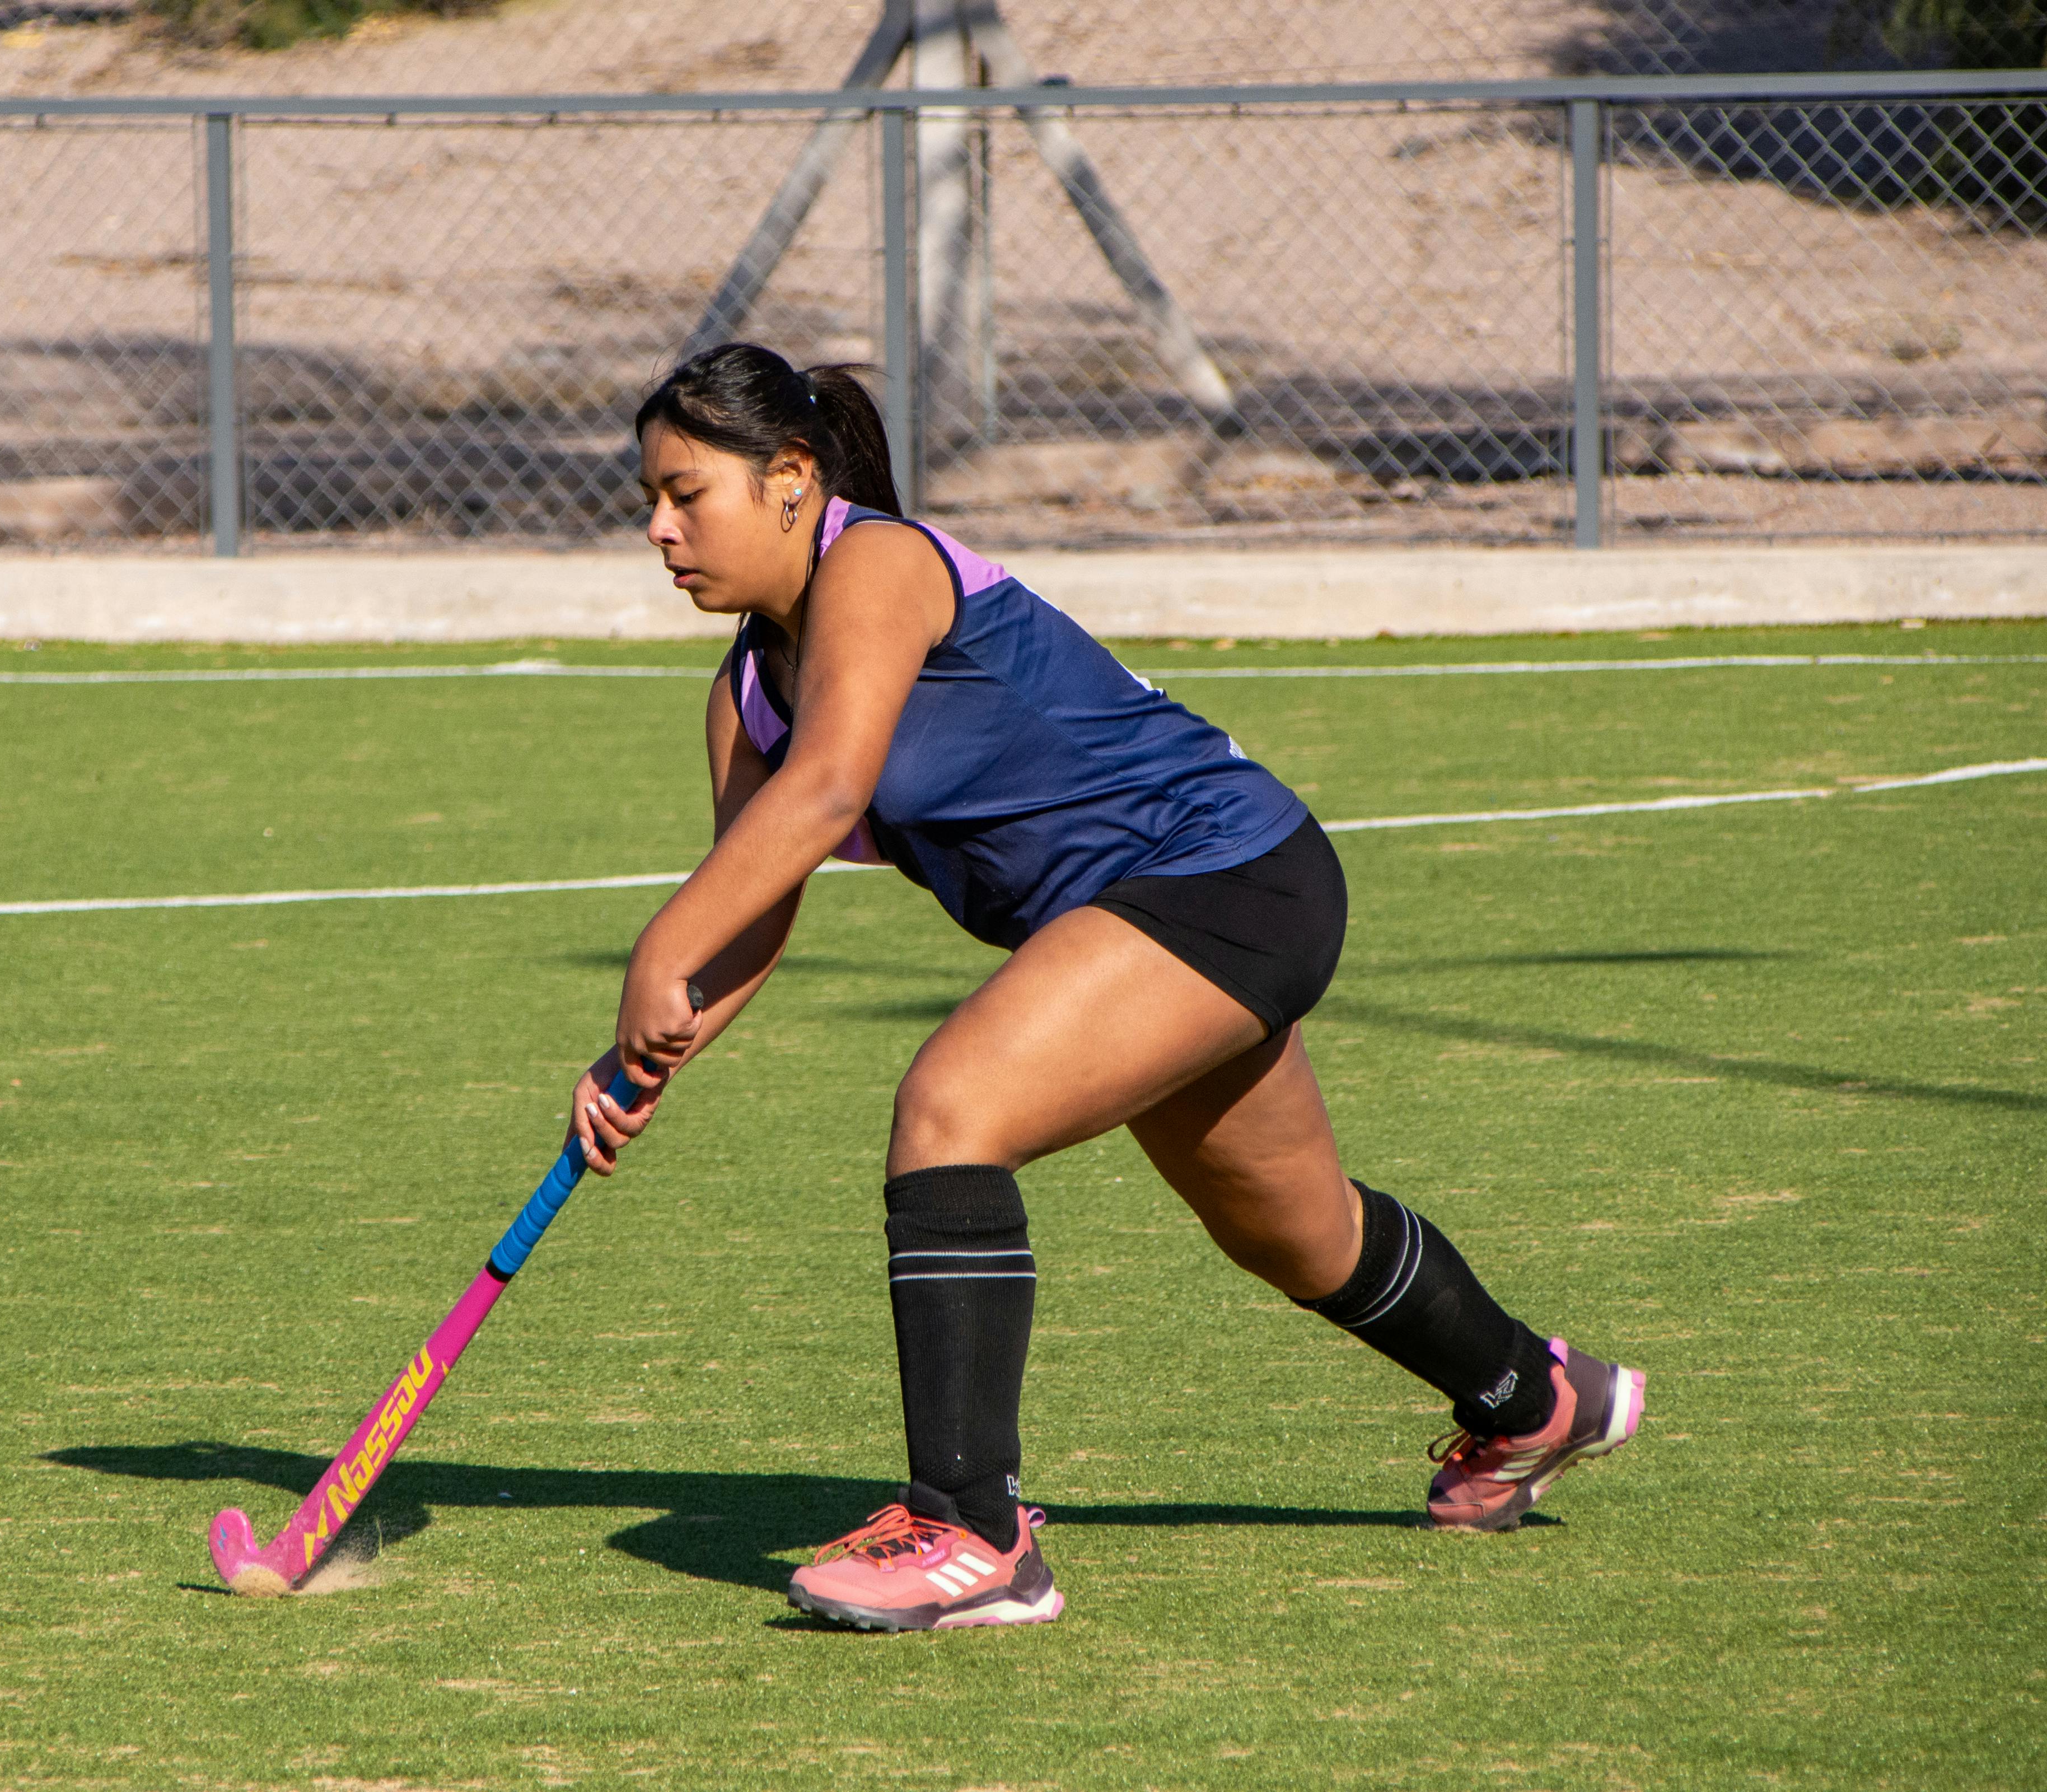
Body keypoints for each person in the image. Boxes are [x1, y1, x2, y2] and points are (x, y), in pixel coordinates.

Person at [568, 343, 1645, 1633]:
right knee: (1294, 1229)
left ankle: (972, 1530)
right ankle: (1534, 1396)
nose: (659, 527)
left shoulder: (879, 563)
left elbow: (832, 792)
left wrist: (652, 951)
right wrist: (641, 1060)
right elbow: (757, 901)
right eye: (653, 499)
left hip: (1226, 875)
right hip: (1124, 925)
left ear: (791, 478)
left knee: (952, 1108)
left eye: (687, 494)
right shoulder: (749, 690)